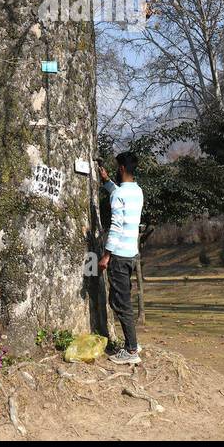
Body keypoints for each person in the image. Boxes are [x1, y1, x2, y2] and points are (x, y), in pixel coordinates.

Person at [98, 151, 144, 365]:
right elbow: (119, 194)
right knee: (121, 300)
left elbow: (116, 225)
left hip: (118, 255)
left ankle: (131, 349)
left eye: (117, 168)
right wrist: (106, 182)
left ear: (122, 169)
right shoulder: (137, 191)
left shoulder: (119, 195)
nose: (116, 171)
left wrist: (106, 255)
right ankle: (132, 340)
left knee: (120, 302)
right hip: (132, 255)